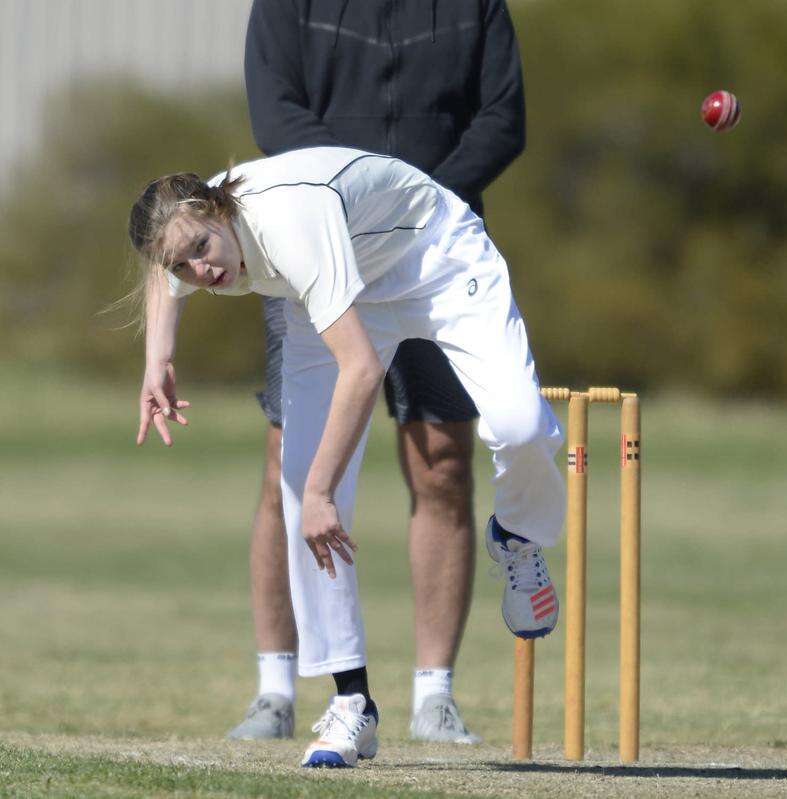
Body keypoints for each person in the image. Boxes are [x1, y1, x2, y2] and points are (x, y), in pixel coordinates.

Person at [131, 146, 565, 768]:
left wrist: (321, 494)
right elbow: (160, 272)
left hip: (434, 258)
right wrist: (157, 361)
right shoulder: (191, 221)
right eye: (183, 264)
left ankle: (520, 537)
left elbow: (361, 370)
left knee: (521, 427)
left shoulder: (286, 222)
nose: (200, 270)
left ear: (216, 210)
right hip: (327, 296)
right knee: (294, 491)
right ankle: (352, 703)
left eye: (201, 248)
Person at [234, 0, 527, 743]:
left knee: (441, 465)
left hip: (435, 252)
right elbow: (278, 118)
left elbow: (501, 118)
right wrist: (356, 208)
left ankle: (435, 693)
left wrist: (420, 204)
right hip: (317, 257)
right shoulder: (287, 7)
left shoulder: (476, 7)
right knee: (291, 470)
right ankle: (276, 686)